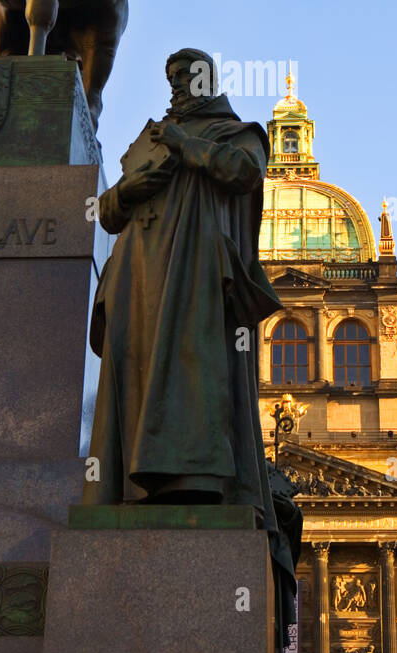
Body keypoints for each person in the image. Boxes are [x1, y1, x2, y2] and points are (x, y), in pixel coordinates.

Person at [83, 48, 280, 510]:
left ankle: (194, 480)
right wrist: (126, 191)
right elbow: (108, 213)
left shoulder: (236, 133)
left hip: (194, 275)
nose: (175, 86)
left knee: (192, 372)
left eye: (185, 78)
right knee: (132, 376)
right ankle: (126, 488)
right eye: (171, 78)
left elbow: (245, 171)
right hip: (135, 277)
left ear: (206, 82)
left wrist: (184, 145)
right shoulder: (147, 139)